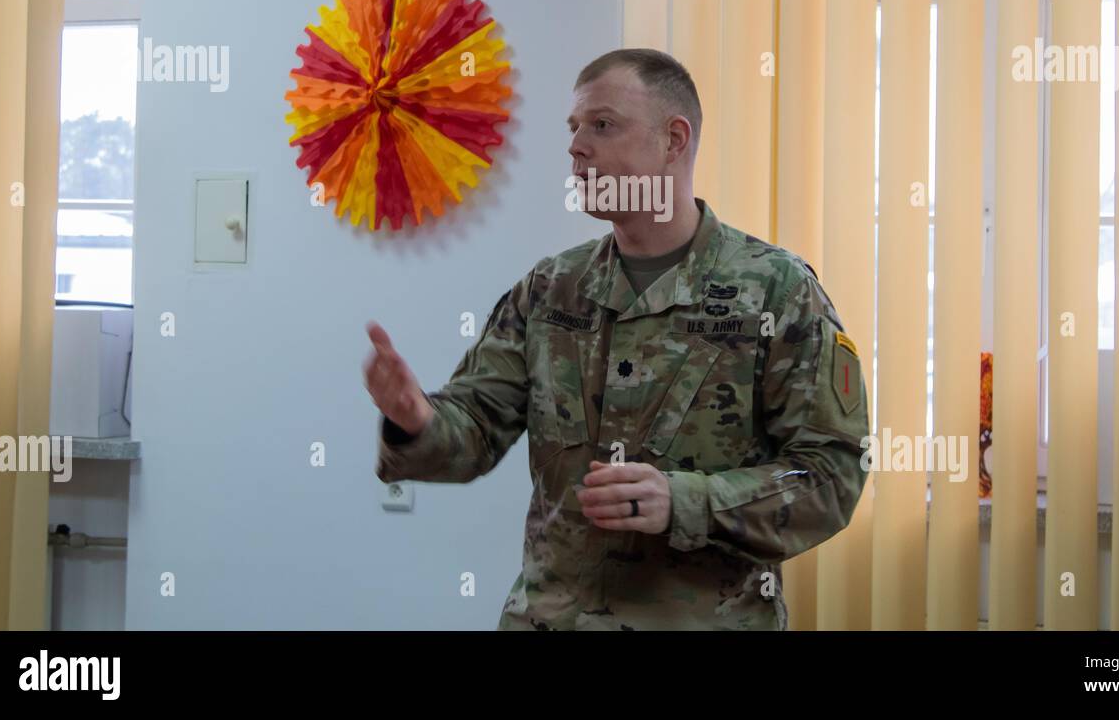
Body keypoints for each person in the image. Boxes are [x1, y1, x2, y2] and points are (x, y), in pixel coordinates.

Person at [365, 47, 868, 630]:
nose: (576, 147)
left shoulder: (776, 290)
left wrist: (684, 501)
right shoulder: (553, 288)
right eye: (574, 128)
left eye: (602, 125)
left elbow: (831, 475)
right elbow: (473, 432)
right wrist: (416, 418)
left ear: (674, 140)